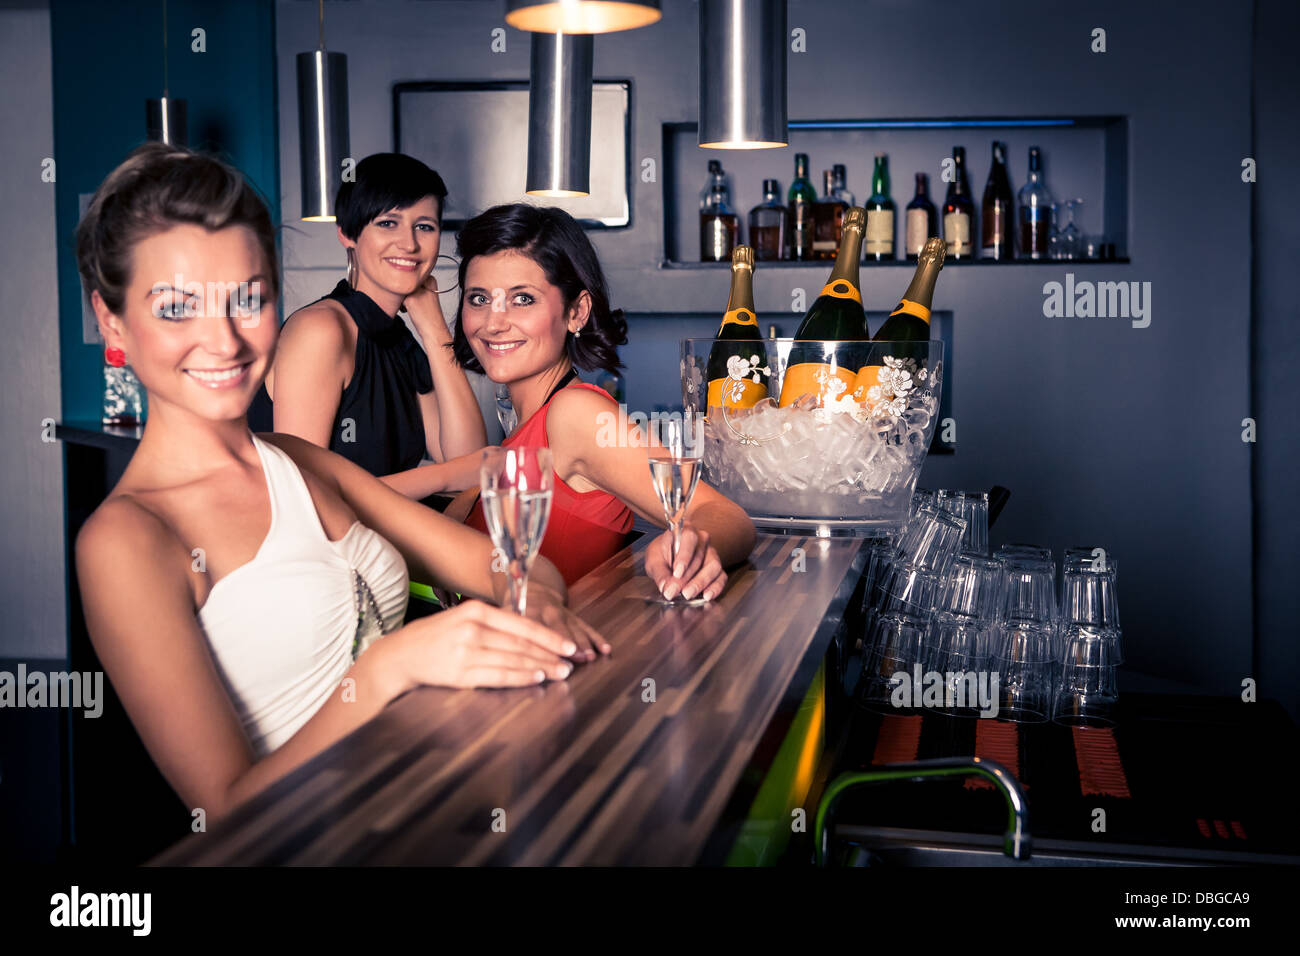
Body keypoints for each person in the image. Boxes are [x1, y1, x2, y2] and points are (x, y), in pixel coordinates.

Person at [74, 144, 602, 823]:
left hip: (428, 810)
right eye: (177, 306)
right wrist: (392, 669)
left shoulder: (303, 461)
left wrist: (539, 607)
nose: (225, 339)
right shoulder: (125, 540)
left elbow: (509, 567)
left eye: (248, 298)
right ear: (112, 319)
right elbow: (225, 811)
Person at [447, 204, 756, 610]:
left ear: (576, 312)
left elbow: (722, 513)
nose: (493, 322)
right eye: (479, 298)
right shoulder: (524, 430)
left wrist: (695, 542)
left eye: (523, 299)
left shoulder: (574, 415)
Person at [248, 153, 488, 499]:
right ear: (347, 233)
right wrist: (442, 476)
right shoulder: (322, 330)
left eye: (425, 226)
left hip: (378, 544)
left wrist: (433, 326)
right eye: (388, 223)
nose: (409, 243)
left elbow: (469, 464)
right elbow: (302, 496)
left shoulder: (399, 339)